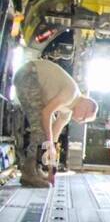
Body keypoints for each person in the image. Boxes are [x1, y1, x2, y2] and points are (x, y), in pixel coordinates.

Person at [15, 57, 98, 187]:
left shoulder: (67, 113)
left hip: (33, 81)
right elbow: (46, 113)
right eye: (84, 117)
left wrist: (51, 171)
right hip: (29, 75)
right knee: (42, 126)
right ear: (86, 106)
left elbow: (53, 139)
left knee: (48, 127)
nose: (81, 121)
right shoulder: (72, 94)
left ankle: (35, 169)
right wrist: (48, 142)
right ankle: (29, 173)